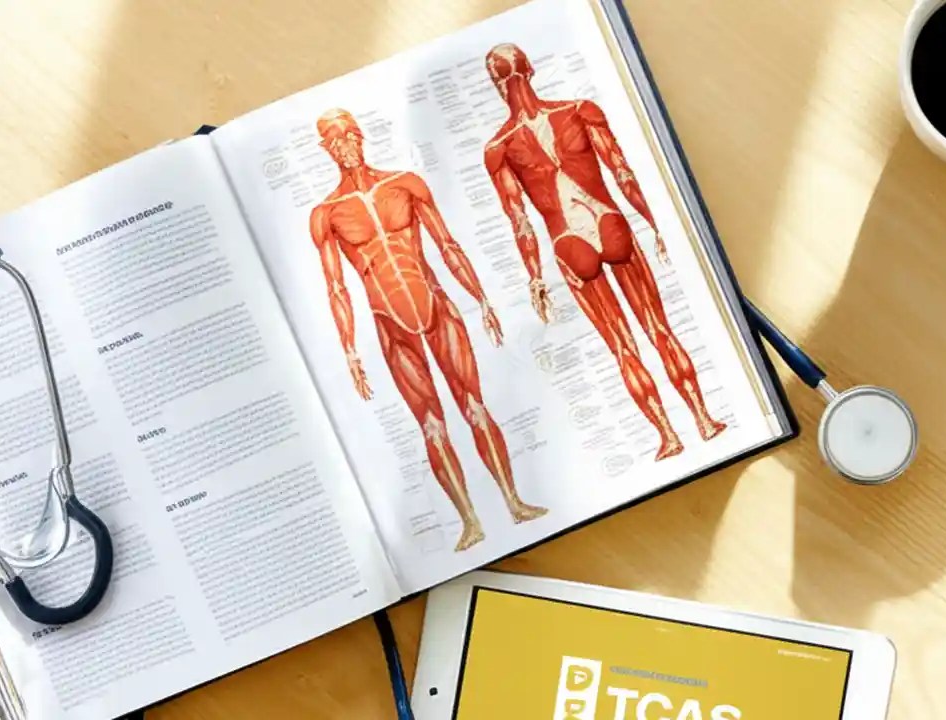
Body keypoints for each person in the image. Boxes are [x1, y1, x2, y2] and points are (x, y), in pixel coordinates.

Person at [310, 108, 546, 552]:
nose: (344, 145)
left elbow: (447, 243)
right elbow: (336, 287)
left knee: (475, 406)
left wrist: (481, 300)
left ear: (362, 136)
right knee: (433, 427)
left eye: (349, 135)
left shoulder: (404, 183)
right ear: (325, 149)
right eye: (334, 140)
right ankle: (471, 522)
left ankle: (514, 503)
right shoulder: (327, 214)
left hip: (436, 305)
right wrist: (350, 350)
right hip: (389, 323)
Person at [482, 44, 726, 461]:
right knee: (660, 330)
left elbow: (519, 219)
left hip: (566, 240)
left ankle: (669, 437)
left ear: (495, 86)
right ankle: (704, 420)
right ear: (532, 68)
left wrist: (535, 275)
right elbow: (622, 171)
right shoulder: (579, 110)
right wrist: (652, 223)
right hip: (608, 218)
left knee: (622, 348)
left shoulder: (498, 147)